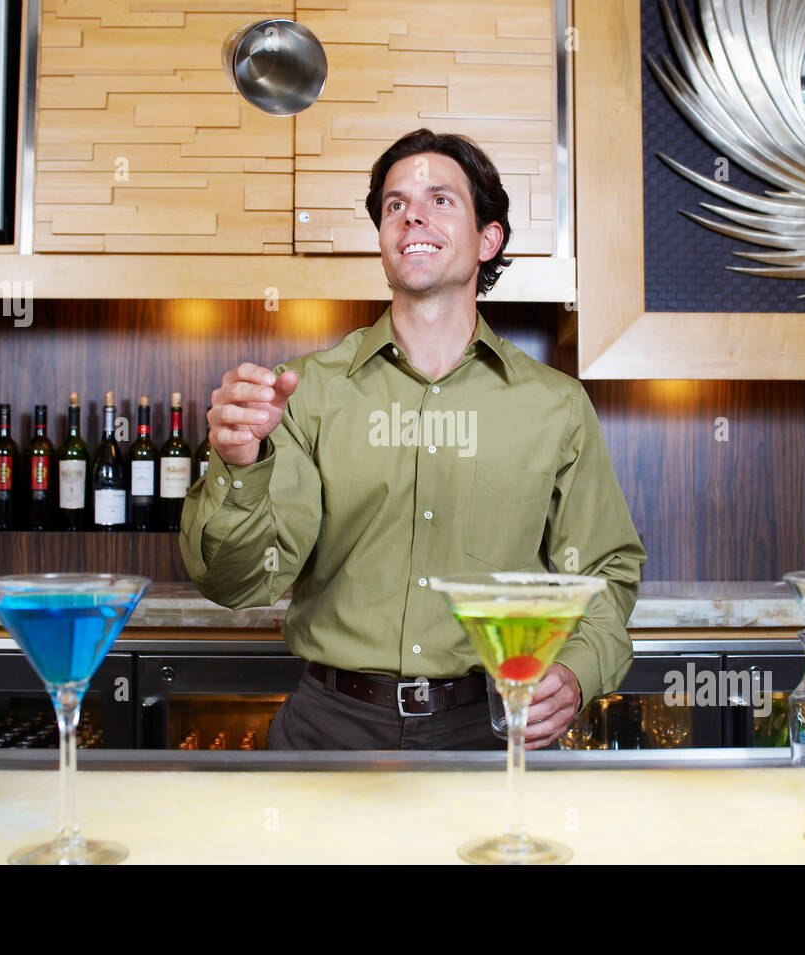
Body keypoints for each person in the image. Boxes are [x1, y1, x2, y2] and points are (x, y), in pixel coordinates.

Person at [179, 128, 646, 750]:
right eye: (395, 205)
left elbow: (604, 568)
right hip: (330, 730)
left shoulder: (556, 406)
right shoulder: (304, 393)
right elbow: (238, 586)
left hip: (493, 728)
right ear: (381, 239)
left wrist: (577, 669)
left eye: (440, 199)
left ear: (489, 238)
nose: (412, 215)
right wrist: (239, 466)